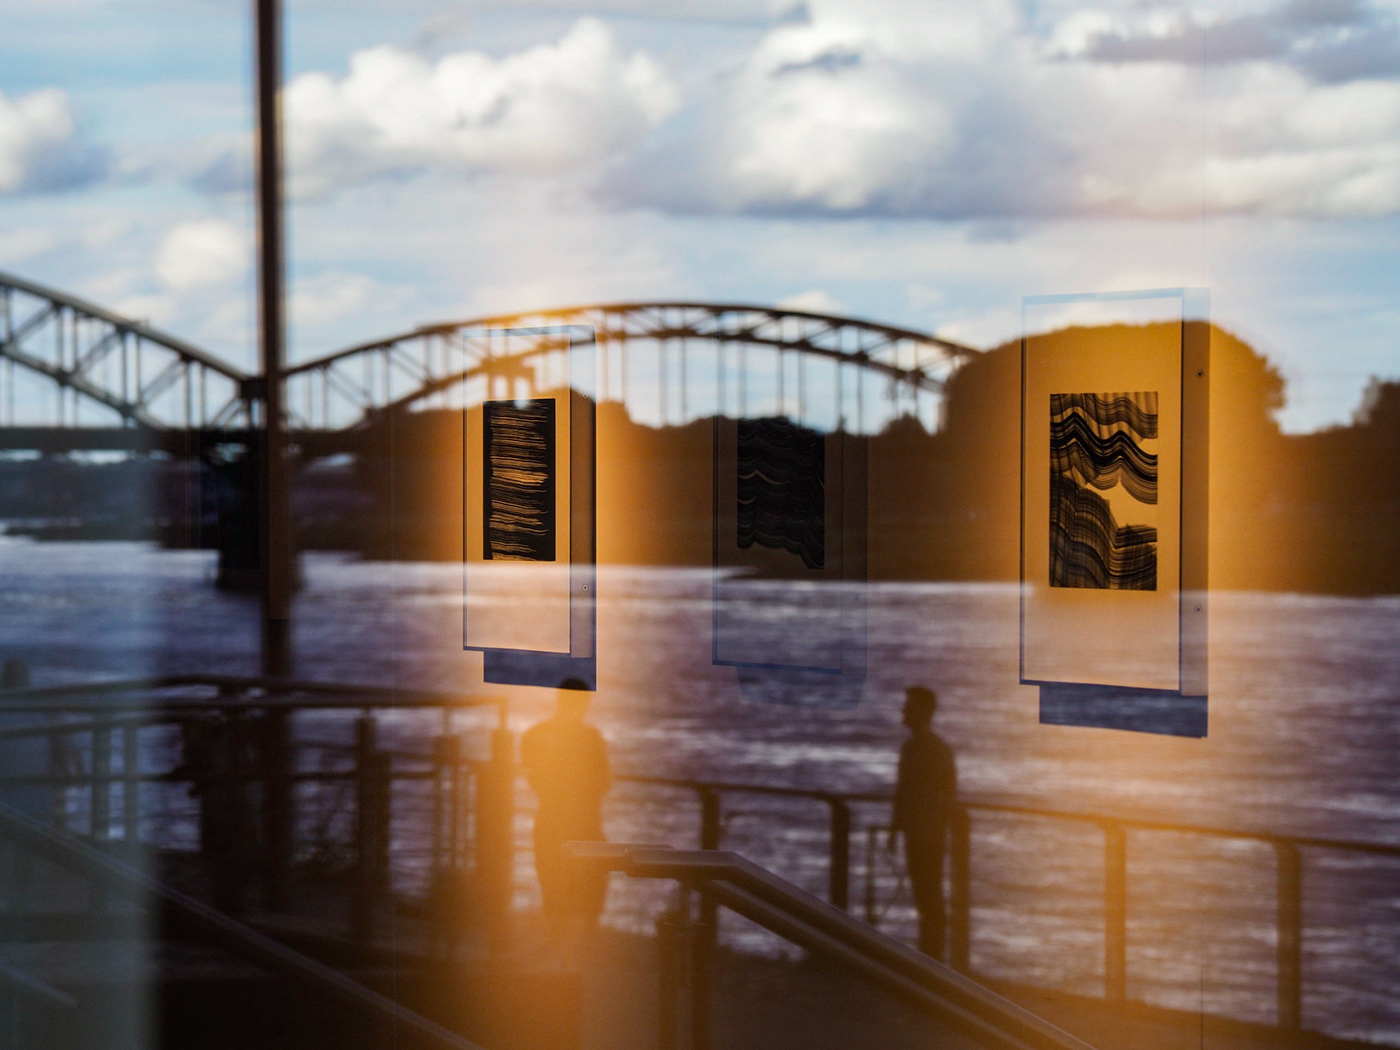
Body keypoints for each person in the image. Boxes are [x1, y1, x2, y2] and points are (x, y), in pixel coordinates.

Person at [520, 678, 612, 936]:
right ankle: (578, 952)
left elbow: (533, 778)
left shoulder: (534, 735)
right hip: (585, 823)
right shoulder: (591, 738)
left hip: (549, 821)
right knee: (590, 889)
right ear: (582, 702)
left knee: (553, 888)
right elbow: (604, 782)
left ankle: (557, 951)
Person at [888, 685, 958, 960]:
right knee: (926, 898)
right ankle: (930, 956)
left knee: (929, 899)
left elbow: (947, 795)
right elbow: (903, 791)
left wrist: (932, 830)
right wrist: (896, 830)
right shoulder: (916, 747)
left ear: (923, 712)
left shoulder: (933, 749)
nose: (904, 711)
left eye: (909, 706)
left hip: (926, 836)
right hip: (919, 834)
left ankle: (932, 958)